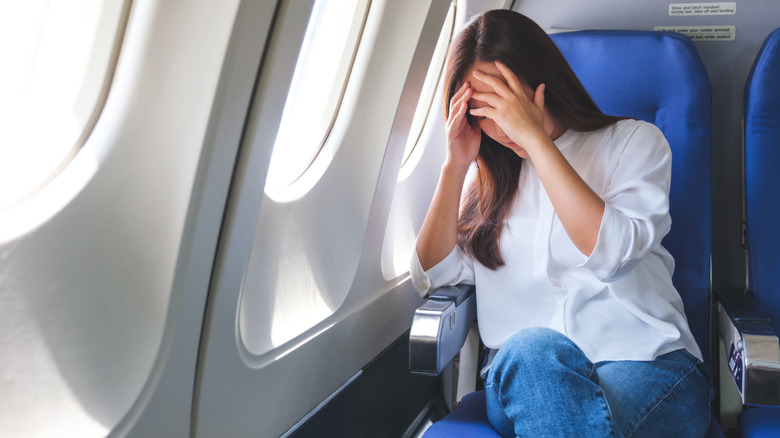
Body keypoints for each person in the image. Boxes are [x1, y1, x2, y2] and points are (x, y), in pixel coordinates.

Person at [410, 9, 710, 438]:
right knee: (530, 350)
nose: (497, 125)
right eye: (481, 109)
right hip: (529, 382)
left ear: (540, 81)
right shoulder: (486, 180)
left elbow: (610, 255)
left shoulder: (634, 144)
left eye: (504, 102)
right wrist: (454, 167)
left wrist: (536, 141)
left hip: (646, 365)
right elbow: (431, 274)